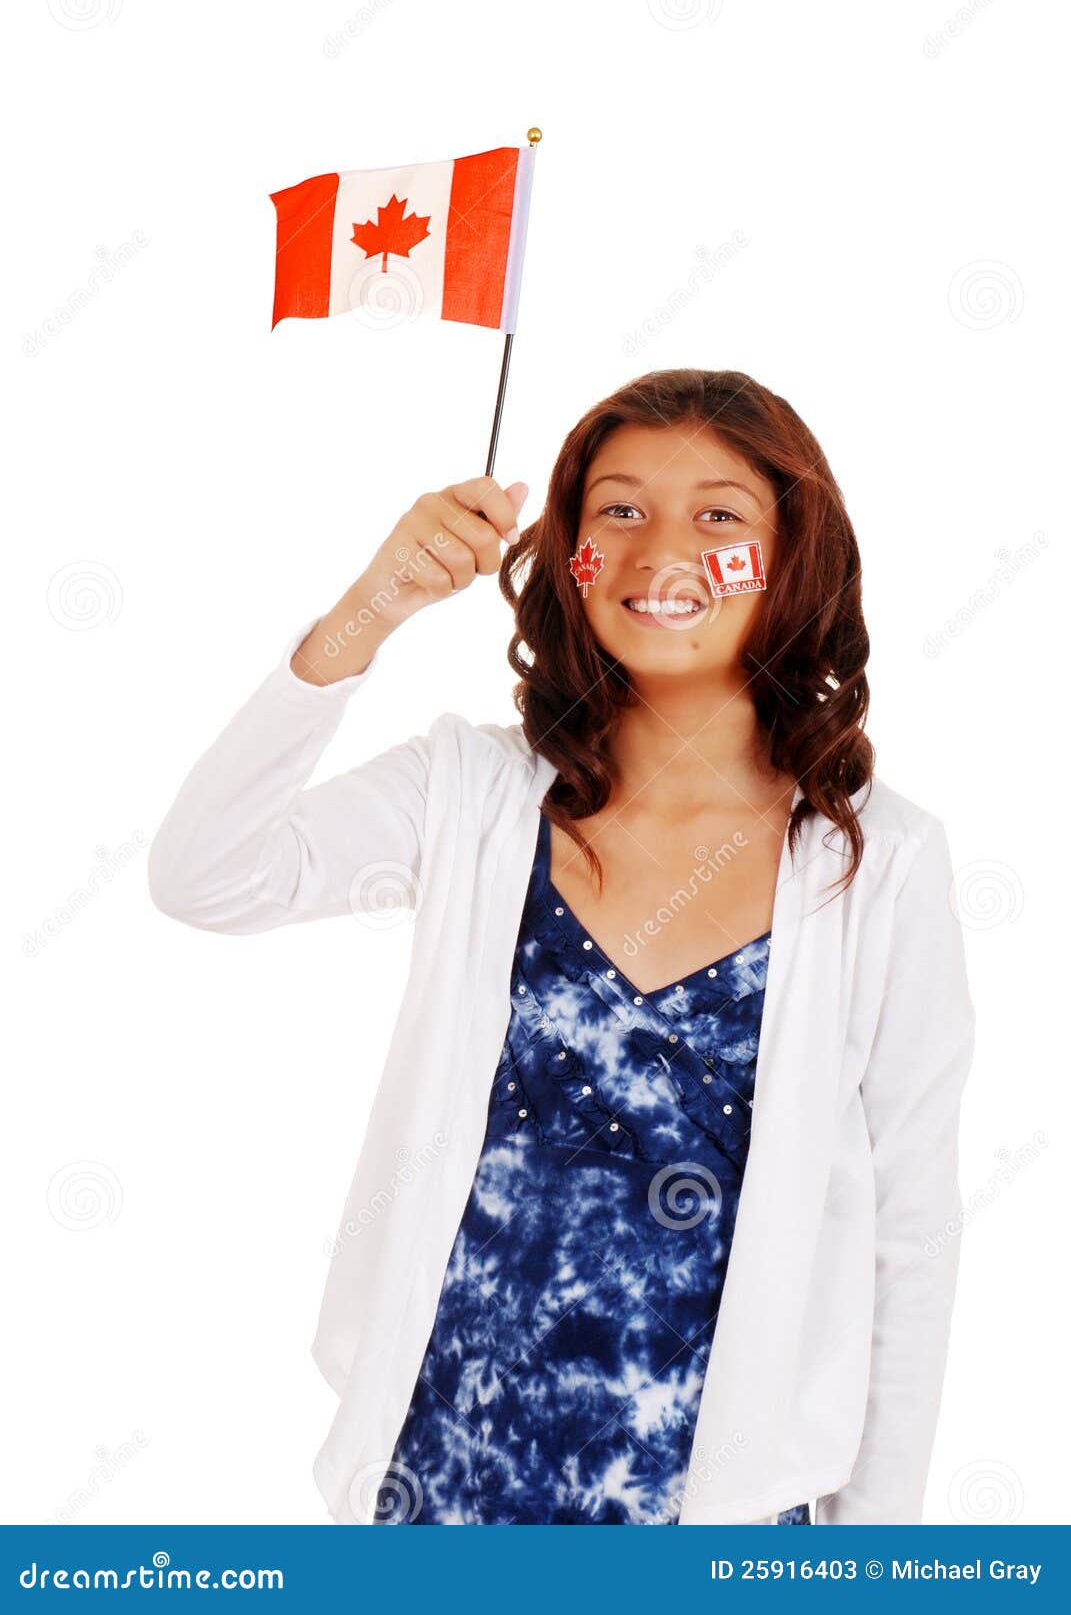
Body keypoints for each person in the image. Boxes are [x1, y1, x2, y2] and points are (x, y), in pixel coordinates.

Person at [148, 368, 975, 1526]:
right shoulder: (471, 795)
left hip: (710, 1525)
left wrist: (875, 1559)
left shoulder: (876, 861)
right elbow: (206, 875)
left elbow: (909, 1235)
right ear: (570, 553)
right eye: (620, 510)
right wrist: (368, 609)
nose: (658, 550)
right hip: (437, 1493)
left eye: (720, 515)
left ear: (794, 560)